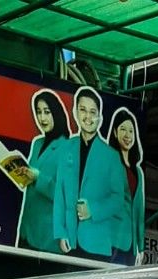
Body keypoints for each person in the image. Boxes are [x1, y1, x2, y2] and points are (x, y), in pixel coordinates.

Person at [53, 87, 126, 260]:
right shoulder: (66, 148)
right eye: (83, 110)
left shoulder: (111, 156)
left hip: (96, 244)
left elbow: (118, 200)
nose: (87, 116)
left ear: (100, 117)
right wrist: (60, 232)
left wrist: (93, 209)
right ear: (75, 112)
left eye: (93, 112)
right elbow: (59, 194)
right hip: (69, 241)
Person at [16, 90, 71, 254]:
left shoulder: (68, 148)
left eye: (47, 112)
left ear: (56, 112)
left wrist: (38, 177)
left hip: (47, 238)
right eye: (38, 112)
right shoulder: (38, 143)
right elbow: (31, 178)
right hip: (26, 230)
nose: (42, 118)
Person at [107, 107, 145, 266]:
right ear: (115, 132)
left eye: (131, 131)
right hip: (111, 240)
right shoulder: (109, 163)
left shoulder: (138, 171)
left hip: (131, 245)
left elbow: (139, 211)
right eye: (123, 129)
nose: (127, 135)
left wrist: (141, 247)